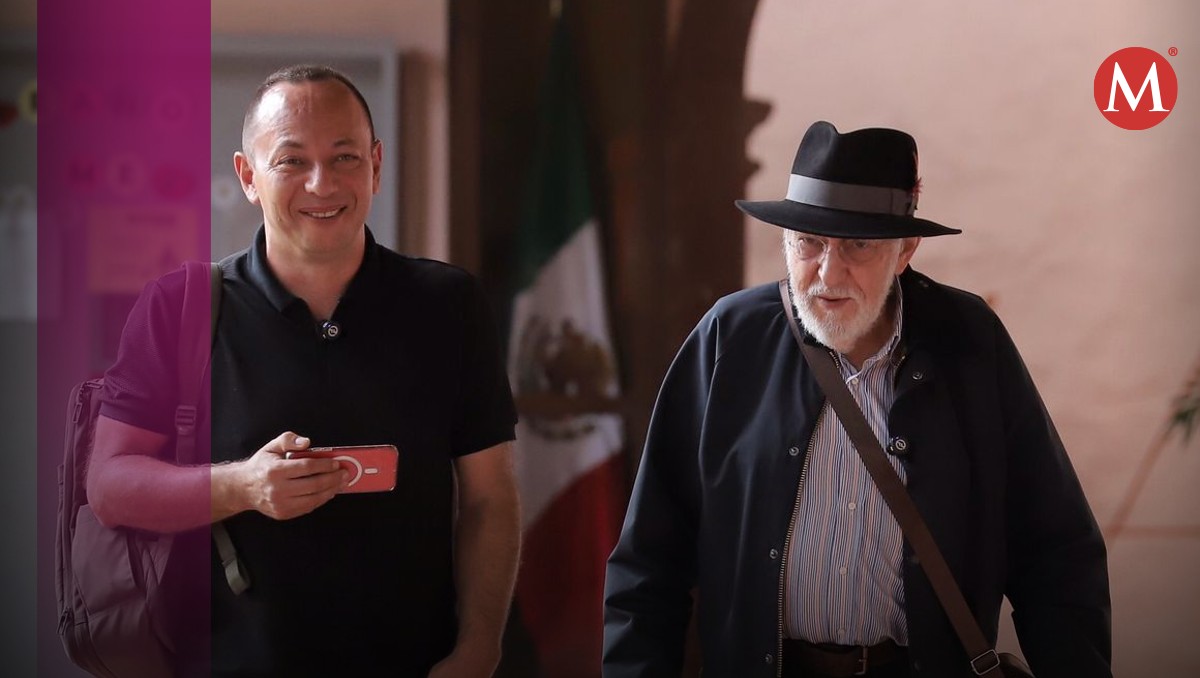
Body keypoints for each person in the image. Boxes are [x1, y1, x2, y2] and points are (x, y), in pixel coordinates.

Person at [602, 121, 1111, 677]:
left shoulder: (971, 344)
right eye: (809, 242)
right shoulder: (730, 338)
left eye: (858, 245)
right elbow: (648, 563)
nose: (827, 272)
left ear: (905, 250)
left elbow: (1057, 556)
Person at [87, 65, 521, 677]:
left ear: (375, 165)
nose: (323, 183)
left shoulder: (448, 304)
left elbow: (489, 497)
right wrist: (244, 486)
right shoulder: (177, 307)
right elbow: (108, 487)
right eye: (291, 161)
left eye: (344, 157)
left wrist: (480, 647)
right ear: (248, 177)